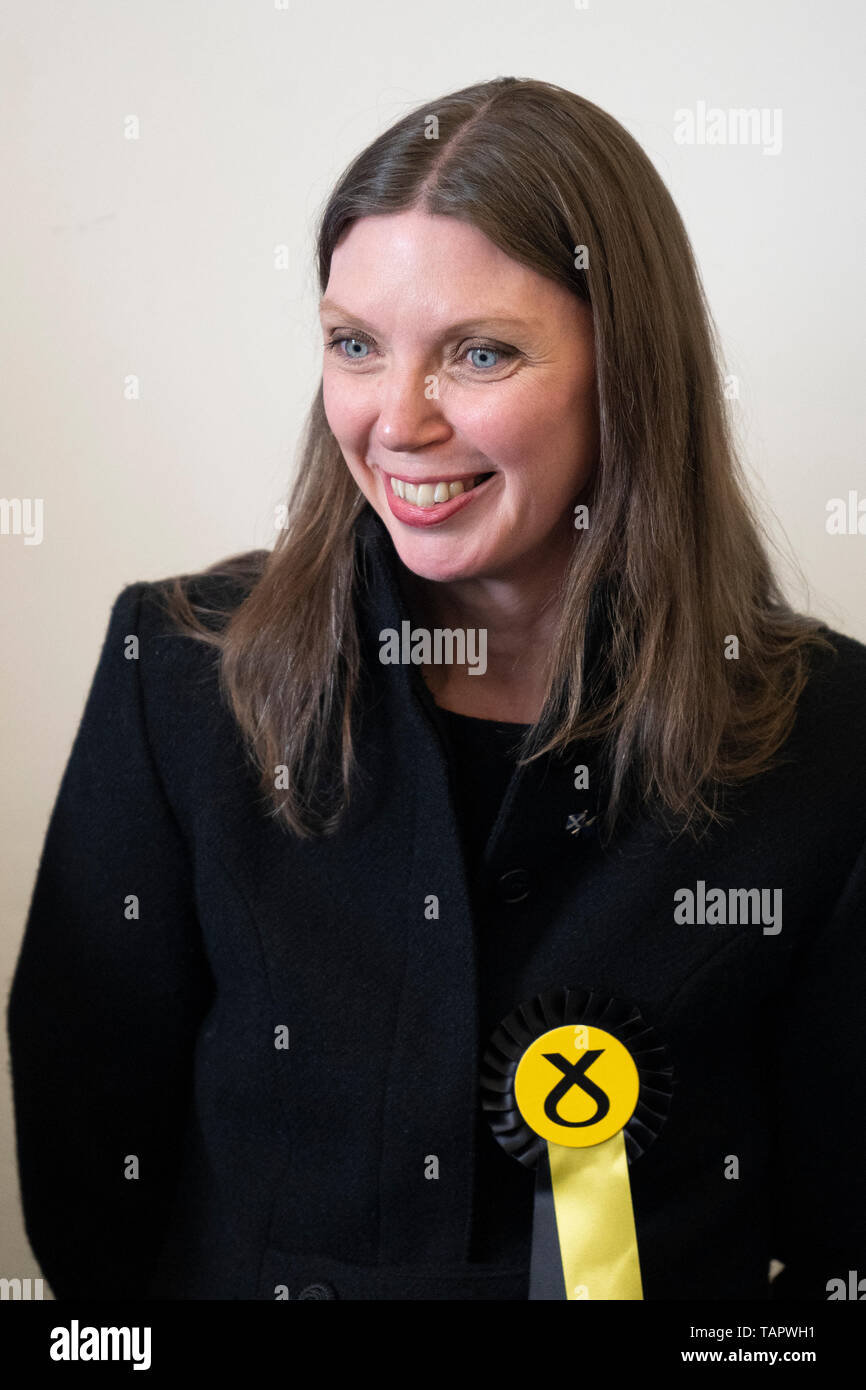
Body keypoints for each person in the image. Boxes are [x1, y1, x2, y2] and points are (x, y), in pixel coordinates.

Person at [7, 76, 866, 1302]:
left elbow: (844, 1239)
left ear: (626, 369)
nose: (395, 421)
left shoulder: (829, 735)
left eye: (478, 352)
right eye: (355, 344)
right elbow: (91, 1167)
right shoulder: (179, 671)